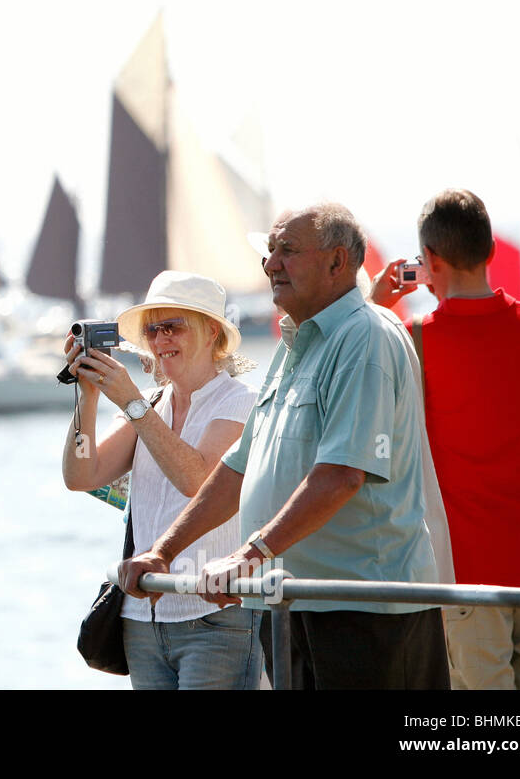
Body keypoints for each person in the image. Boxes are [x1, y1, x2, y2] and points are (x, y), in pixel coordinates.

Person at [121, 204, 449, 690]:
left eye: (287, 251)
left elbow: (342, 474)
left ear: (338, 263)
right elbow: (237, 468)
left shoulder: (366, 337)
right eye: (270, 252)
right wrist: (163, 551)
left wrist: (247, 556)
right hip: (293, 605)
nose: (271, 264)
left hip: (365, 611)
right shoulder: (295, 346)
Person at [371, 188, 520, 690]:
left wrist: (378, 301)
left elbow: (362, 358)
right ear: (491, 251)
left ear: (429, 260)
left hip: (469, 572)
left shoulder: (415, 338)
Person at [62, 270, 261, 690]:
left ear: (213, 333)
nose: (159, 339)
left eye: (173, 326)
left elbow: (198, 481)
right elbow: (81, 475)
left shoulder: (242, 401)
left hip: (214, 618)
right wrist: (88, 395)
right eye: (152, 329)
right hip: (142, 618)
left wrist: (132, 403)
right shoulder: (151, 405)